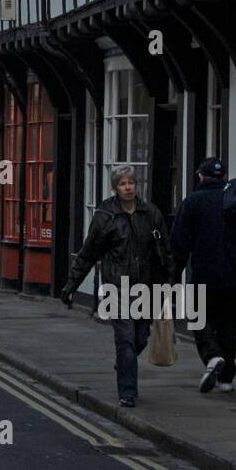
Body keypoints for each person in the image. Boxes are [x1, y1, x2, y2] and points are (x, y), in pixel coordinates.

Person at [59, 166, 171, 408]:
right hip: (116, 288)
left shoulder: (151, 213)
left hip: (146, 289)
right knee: (126, 340)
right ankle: (127, 392)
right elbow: (88, 254)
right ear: (115, 188)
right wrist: (70, 286)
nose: (128, 187)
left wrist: (169, 285)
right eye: (123, 183)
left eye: (131, 182)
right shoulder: (105, 216)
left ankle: (124, 365)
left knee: (140, 338)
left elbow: (165, 252)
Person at [170, 157, 236, 394]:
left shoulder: (192, 202)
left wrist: (172, 280)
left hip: (204, 275)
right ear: (224, 177)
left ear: (200, 176)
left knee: (199, 320)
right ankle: (226, 379)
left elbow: (178, 245)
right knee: (228, 327)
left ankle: (212, 357)